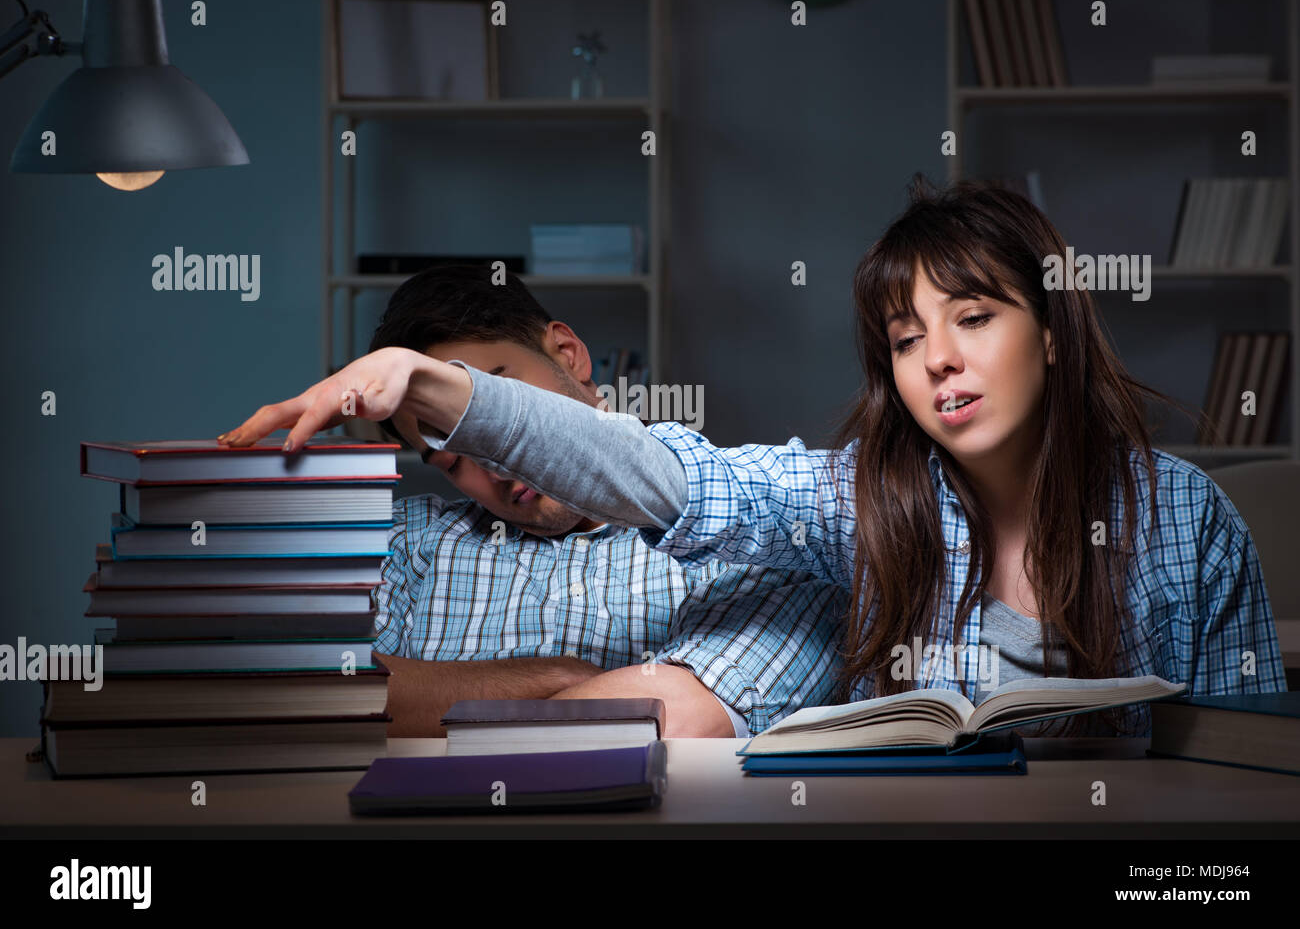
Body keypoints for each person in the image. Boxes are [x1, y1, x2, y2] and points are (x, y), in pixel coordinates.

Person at [219, 180, 1287, 735]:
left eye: (972, 318)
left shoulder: (1182, 520)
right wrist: (431, 388)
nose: (941, 362)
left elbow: (1251, 767)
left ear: (1049, 331)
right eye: (907, 340)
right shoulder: (862, 503)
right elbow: (675, 477)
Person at [223, 265, 846, 738]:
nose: (490, 462)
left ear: (567, 354)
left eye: (489, 402)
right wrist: (540, 682)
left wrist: (423, 698)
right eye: (453, 458)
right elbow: (294, 696)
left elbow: (667, 725)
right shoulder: (405, 543)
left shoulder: (749, 529)